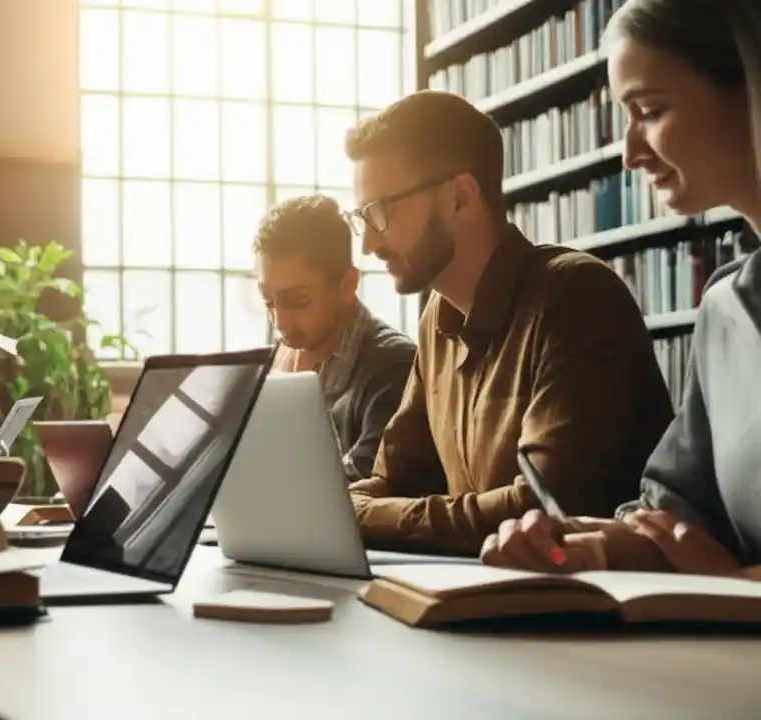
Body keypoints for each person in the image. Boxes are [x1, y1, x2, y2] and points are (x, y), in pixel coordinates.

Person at [482, 0, 761, 579]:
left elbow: (710, 562)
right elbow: (679, 521)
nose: (631, 153)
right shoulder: (724, 306)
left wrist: (736, 587)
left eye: (651, 111)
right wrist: (583, 545)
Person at [340, 90, 674, 556]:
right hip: (497, 599)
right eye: (362, 218)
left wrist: (355, 514)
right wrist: (349, 509)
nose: (369, 245)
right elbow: (392, 481)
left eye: (382, 213)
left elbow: (543, 507)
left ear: (461, 196)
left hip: (602, 614)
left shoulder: (576, 296)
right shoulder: (437, 320)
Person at [254, 194, 416, 480]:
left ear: (347, 285)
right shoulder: (272, 363)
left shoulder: (395, 367)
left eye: (298, 300)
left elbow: (367, 490)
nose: (279, 321)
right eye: (268, 300)